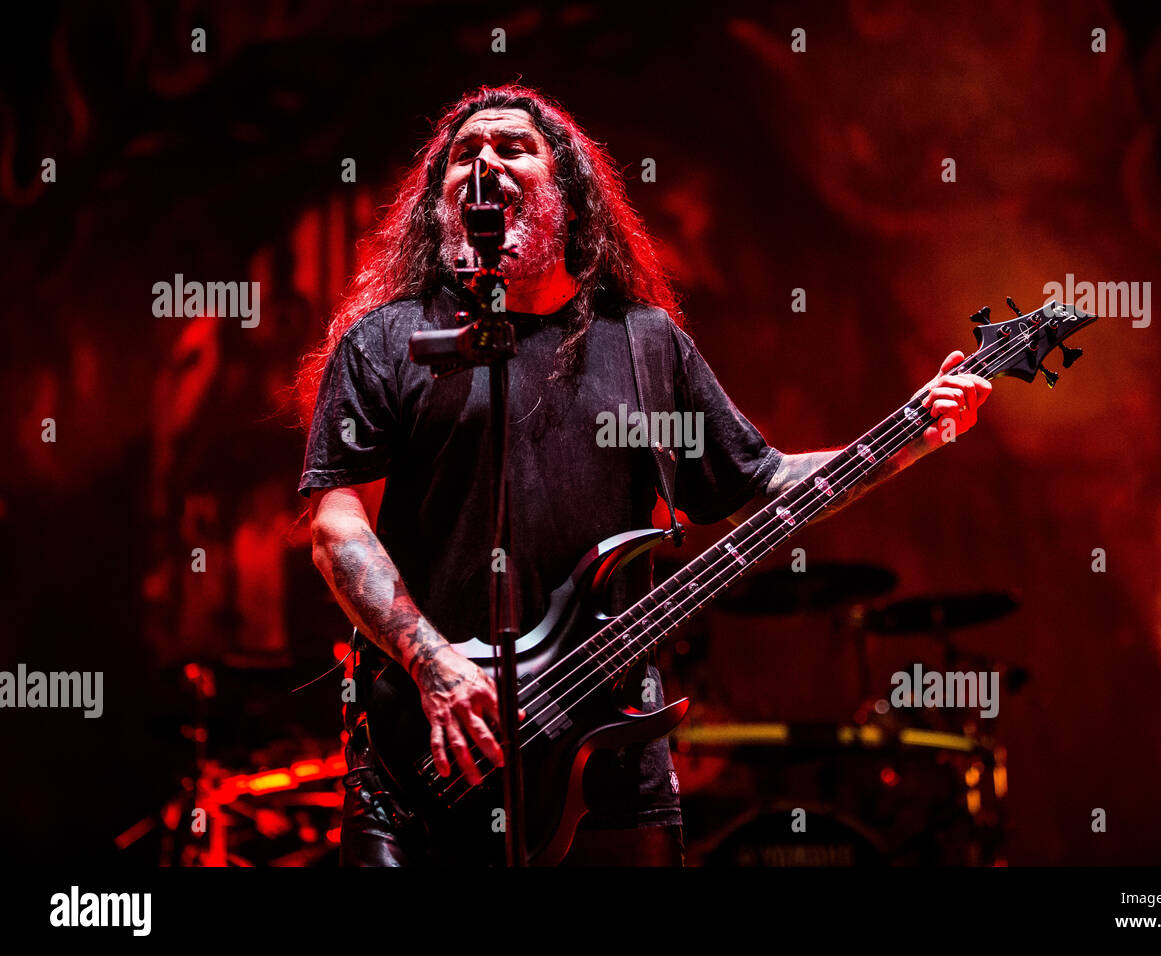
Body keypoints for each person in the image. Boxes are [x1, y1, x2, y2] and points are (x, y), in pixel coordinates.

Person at [297, 84, 991, 866]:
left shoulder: (643, 344)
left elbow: (759, 484)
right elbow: (336, 524)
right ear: (438, 201)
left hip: (607, 759)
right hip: (429, 747)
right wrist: (435, 664)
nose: (484, 161)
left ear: (567, 191)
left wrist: (910, 436)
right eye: (462, 155)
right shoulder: (389, 342)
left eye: (511, 147)